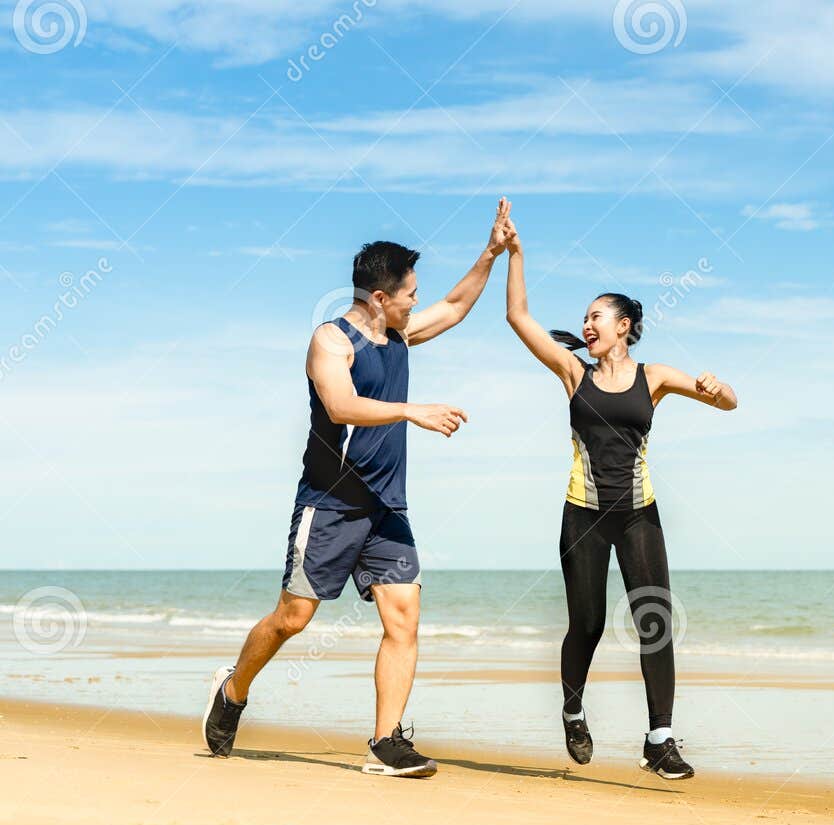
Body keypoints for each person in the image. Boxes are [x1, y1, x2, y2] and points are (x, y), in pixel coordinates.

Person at [202, 199, 516, 778]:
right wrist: (413, 411)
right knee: (293, 619)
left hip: (386, 508)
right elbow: (341, 404)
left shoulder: (399, 334)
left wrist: (492, 252)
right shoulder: (332, 341)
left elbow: (455, 305)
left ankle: (385, 741)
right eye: (408, 293)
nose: (416, 300)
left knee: (404, 619)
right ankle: (234, 689)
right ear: (380, 297)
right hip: (331, 505)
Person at [500, 205, 737, 780]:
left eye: (596, 317)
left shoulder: (653, 377)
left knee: (654, 619)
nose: (586, 325)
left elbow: (728, 402)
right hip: (581, 514)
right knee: (587, 624)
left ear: (623, 325)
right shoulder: (572, 373)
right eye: (584, 318)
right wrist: (515, 254)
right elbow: (517, 316)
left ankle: (660, 738)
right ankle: (573, 708)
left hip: (638, 516)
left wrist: (716, 386)